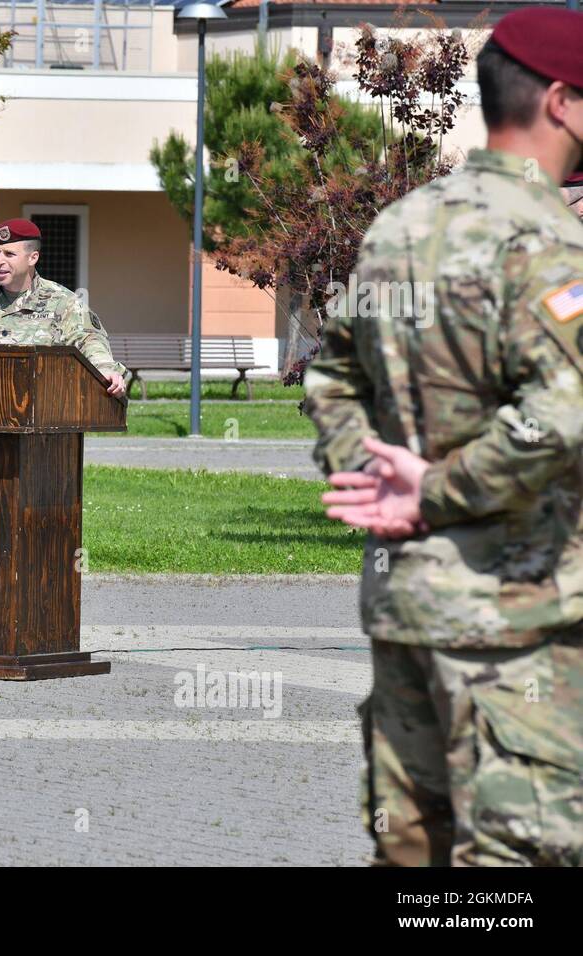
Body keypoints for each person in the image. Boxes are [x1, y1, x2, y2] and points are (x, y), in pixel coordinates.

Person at [306, 7, 583, 866]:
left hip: (404, 607)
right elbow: (565, 412)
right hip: (515, 622)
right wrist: (433, 490)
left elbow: (331, 377)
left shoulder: (399, 228)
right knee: (514, 870)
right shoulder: (549, 240)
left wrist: (375, 483)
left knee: (412, 861)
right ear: (565, 103)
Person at [0, 218, 127, 397]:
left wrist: (105, 368)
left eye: (9, 254)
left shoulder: (62, 301)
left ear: (33, 257)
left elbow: (89, 339)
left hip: (45, 406)